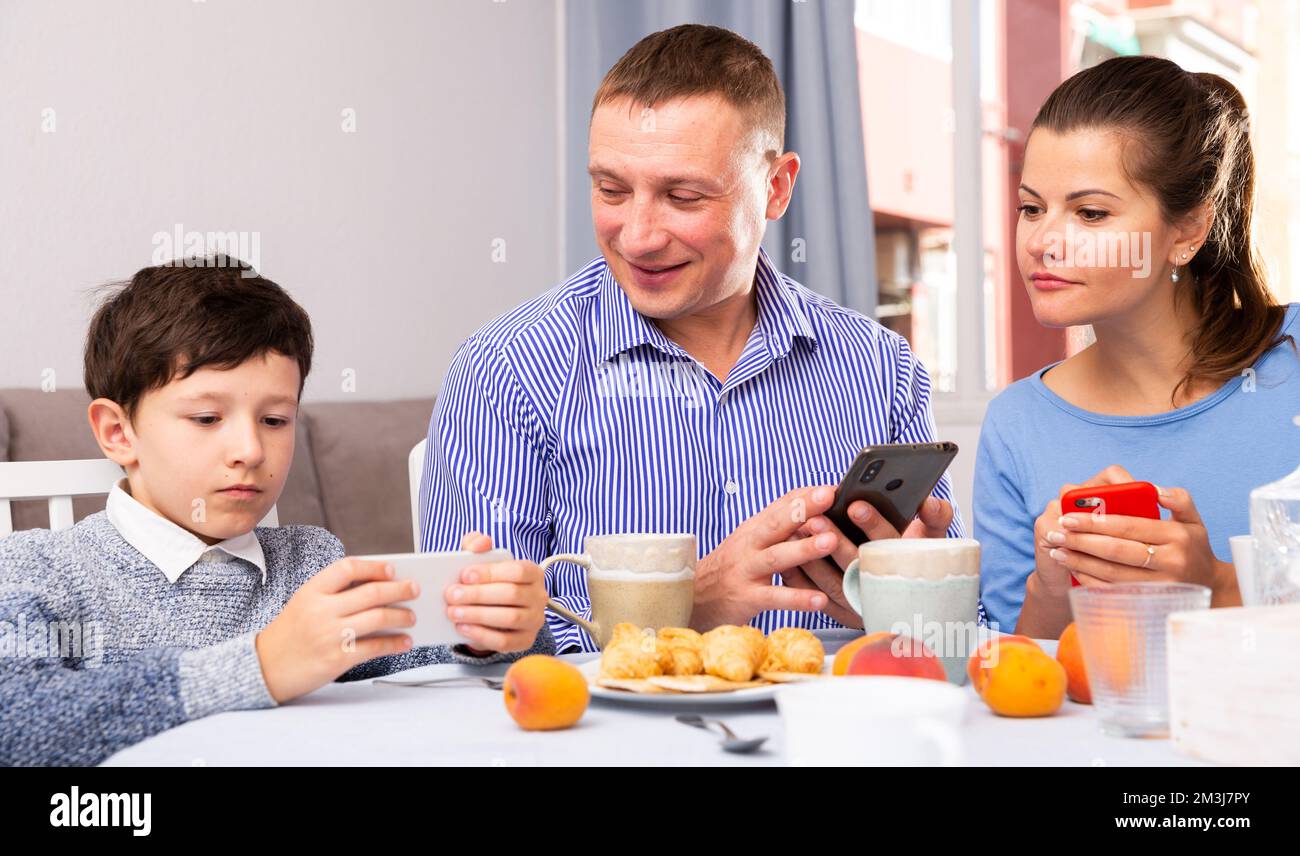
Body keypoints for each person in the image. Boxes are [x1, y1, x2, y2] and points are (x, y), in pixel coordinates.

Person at [419, 24, 963, 653]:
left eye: (682, 195)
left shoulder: (881, 367)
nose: (639, 236)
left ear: (777, 188)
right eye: (611, 189)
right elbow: (455, 655)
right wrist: (688, 605)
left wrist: (904, 604)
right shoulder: (504, 372)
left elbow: (957, 635)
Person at [0, 258, 551, 765]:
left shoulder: (311, 562)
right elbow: (18, 725)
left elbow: (425, 679)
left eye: (275, 420)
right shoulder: (38, 570)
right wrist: (264, 664)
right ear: (119, 433)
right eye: (207, 419)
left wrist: (483, 634)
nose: (251, 451)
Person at [973, 55, 1299, 639]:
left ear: (1188, 230)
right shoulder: (1016, 424)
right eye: (1031, 208)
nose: (1044, 242)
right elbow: (1021, 677)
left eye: (1090, 213)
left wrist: (1218, 586)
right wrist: (1050, 590)